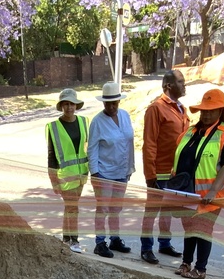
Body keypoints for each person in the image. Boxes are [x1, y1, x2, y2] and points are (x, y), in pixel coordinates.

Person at [169, 88, 224, 279]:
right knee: (190, 229)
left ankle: (200, 268)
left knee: (203, 230)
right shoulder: (190, 132)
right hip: (186, 191)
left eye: (212, 110)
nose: (207, 114)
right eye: (204, 110)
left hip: (209, 194)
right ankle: (186, 262)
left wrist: (214, 191)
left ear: (220, 111)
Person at [140, 69, 189, 263]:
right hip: (158, 171)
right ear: (169, 86)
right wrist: (150, 174)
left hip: (174, 172)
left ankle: (165, 243)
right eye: (181, 82)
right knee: (152, 210)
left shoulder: (181, 108)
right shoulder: (156, 108)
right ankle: (146, 248)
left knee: (167, 209)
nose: (184, 85)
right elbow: (149, 143)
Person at [88, 81, 135, 258]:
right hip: (104, 173)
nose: (111, 106)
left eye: (114, 103)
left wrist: (130, 167)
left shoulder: (125, 116)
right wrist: (95, 173)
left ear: (119, 102)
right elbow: (92, 148)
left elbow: (129, 142)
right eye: (108, 103)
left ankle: (115, 238)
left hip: (122, 172)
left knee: (116, 208)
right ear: (103, 103)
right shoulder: (97, 122)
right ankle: (100, 242)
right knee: (103, 209)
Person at [47, 88, 89, 253]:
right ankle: (74, 240)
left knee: (70, 207)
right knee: (73, 208)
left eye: (71, 103)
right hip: (65, 176)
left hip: (81, 175)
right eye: (65, 104)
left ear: (76, 105)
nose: (69, 107)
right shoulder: (54, 127)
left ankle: (66, 239)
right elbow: (51, 156)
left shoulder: (83, 122)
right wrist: (54, 181)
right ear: (61, 106)